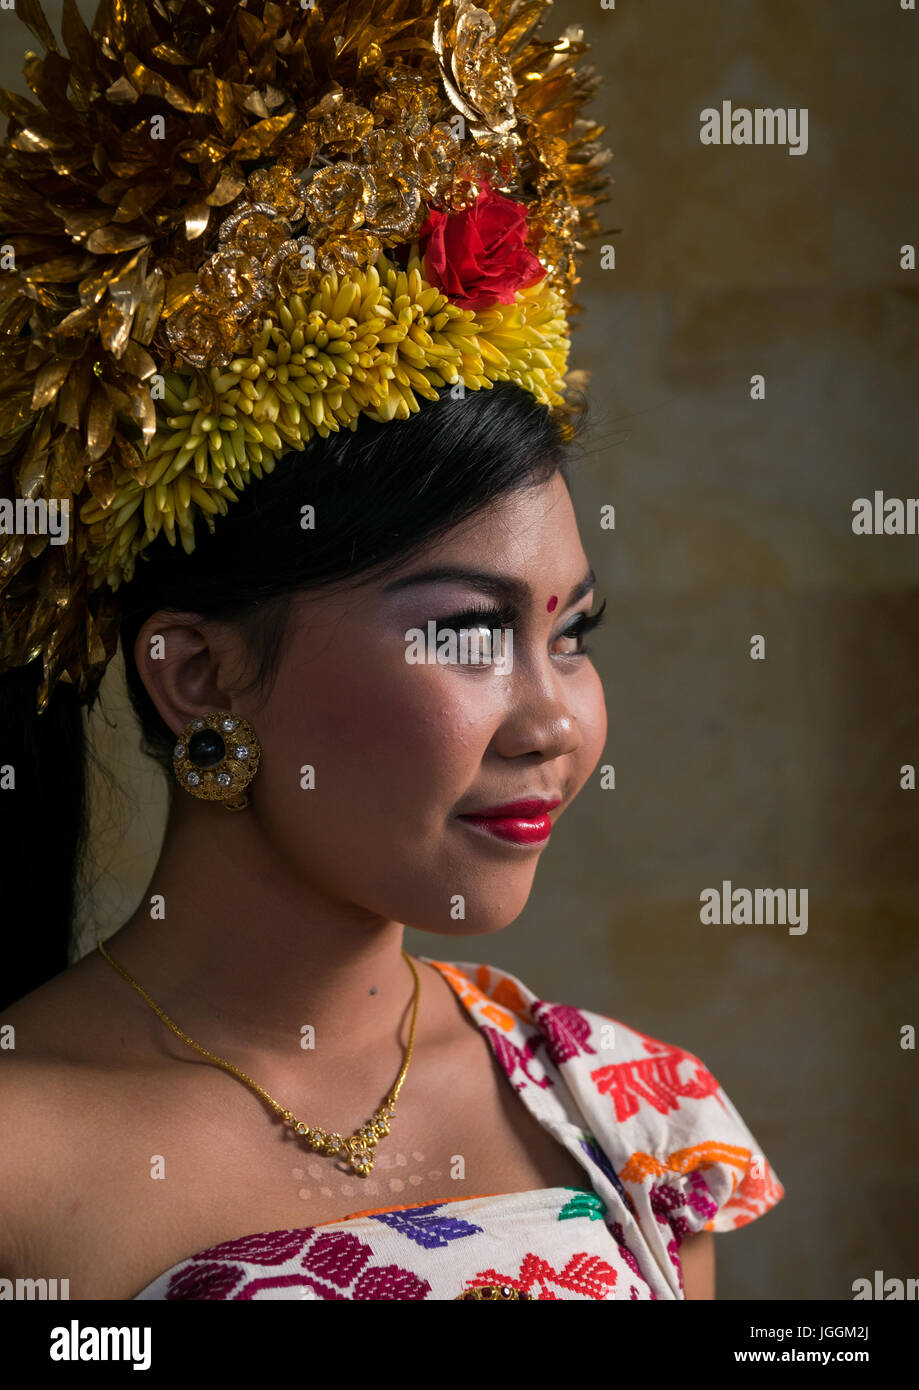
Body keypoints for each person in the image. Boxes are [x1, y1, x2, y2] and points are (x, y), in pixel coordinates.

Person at [0, 0, 783, 1302]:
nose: (556, 722)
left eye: (571, 633)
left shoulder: (627, 1114)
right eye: (465, 630)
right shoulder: (25, 1155)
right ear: (196, 673)